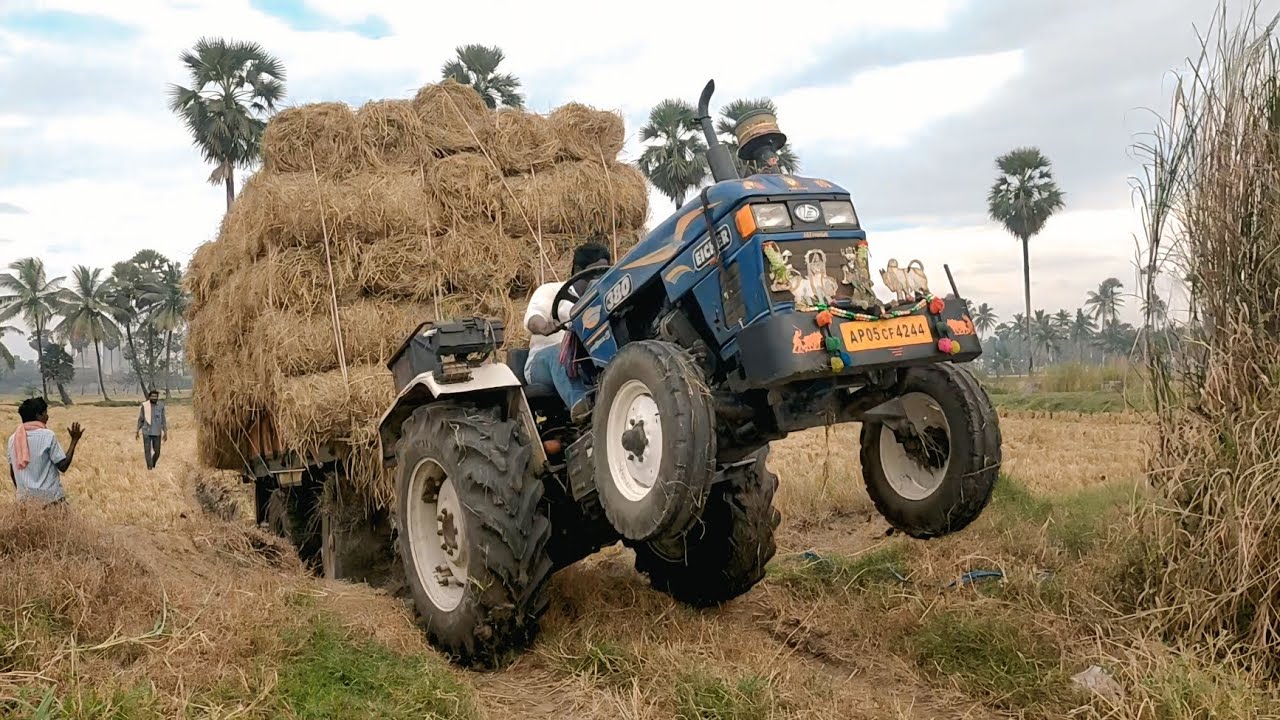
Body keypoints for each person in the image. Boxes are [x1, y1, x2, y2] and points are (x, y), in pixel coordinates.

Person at [524, 241, 612, 419]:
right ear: (578, 271)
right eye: (593, 273)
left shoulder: (606, 297)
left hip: (587, 361)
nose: (598, 279)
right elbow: (533, 317)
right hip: (544, 362)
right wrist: (544, 327)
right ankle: (584, 411)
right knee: (559, 353)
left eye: (603, 273)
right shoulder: (550, 290)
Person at [7, 397, 84, 505]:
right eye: (45, 413)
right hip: (52, 501)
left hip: (25, 503)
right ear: (38, 415)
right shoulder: (48, 435)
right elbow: (63, 466)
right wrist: (74, 441)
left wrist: (23, 494)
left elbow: (13, 472)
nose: (47, 416)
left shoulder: (12, 439)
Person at [136, 389, 168, 470]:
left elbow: (163, 420)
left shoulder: (161, 406)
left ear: (157, 397)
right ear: (149, 397)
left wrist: (165, 432)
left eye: (155, 396)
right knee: (147, 451)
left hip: (157, 432)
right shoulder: (145, 406)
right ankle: (149, 468)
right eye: (152, 396)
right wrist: (137, 430)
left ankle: (153, 464)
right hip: (146, 431)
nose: (154, 398)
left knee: (157, 452)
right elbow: (141, 419)